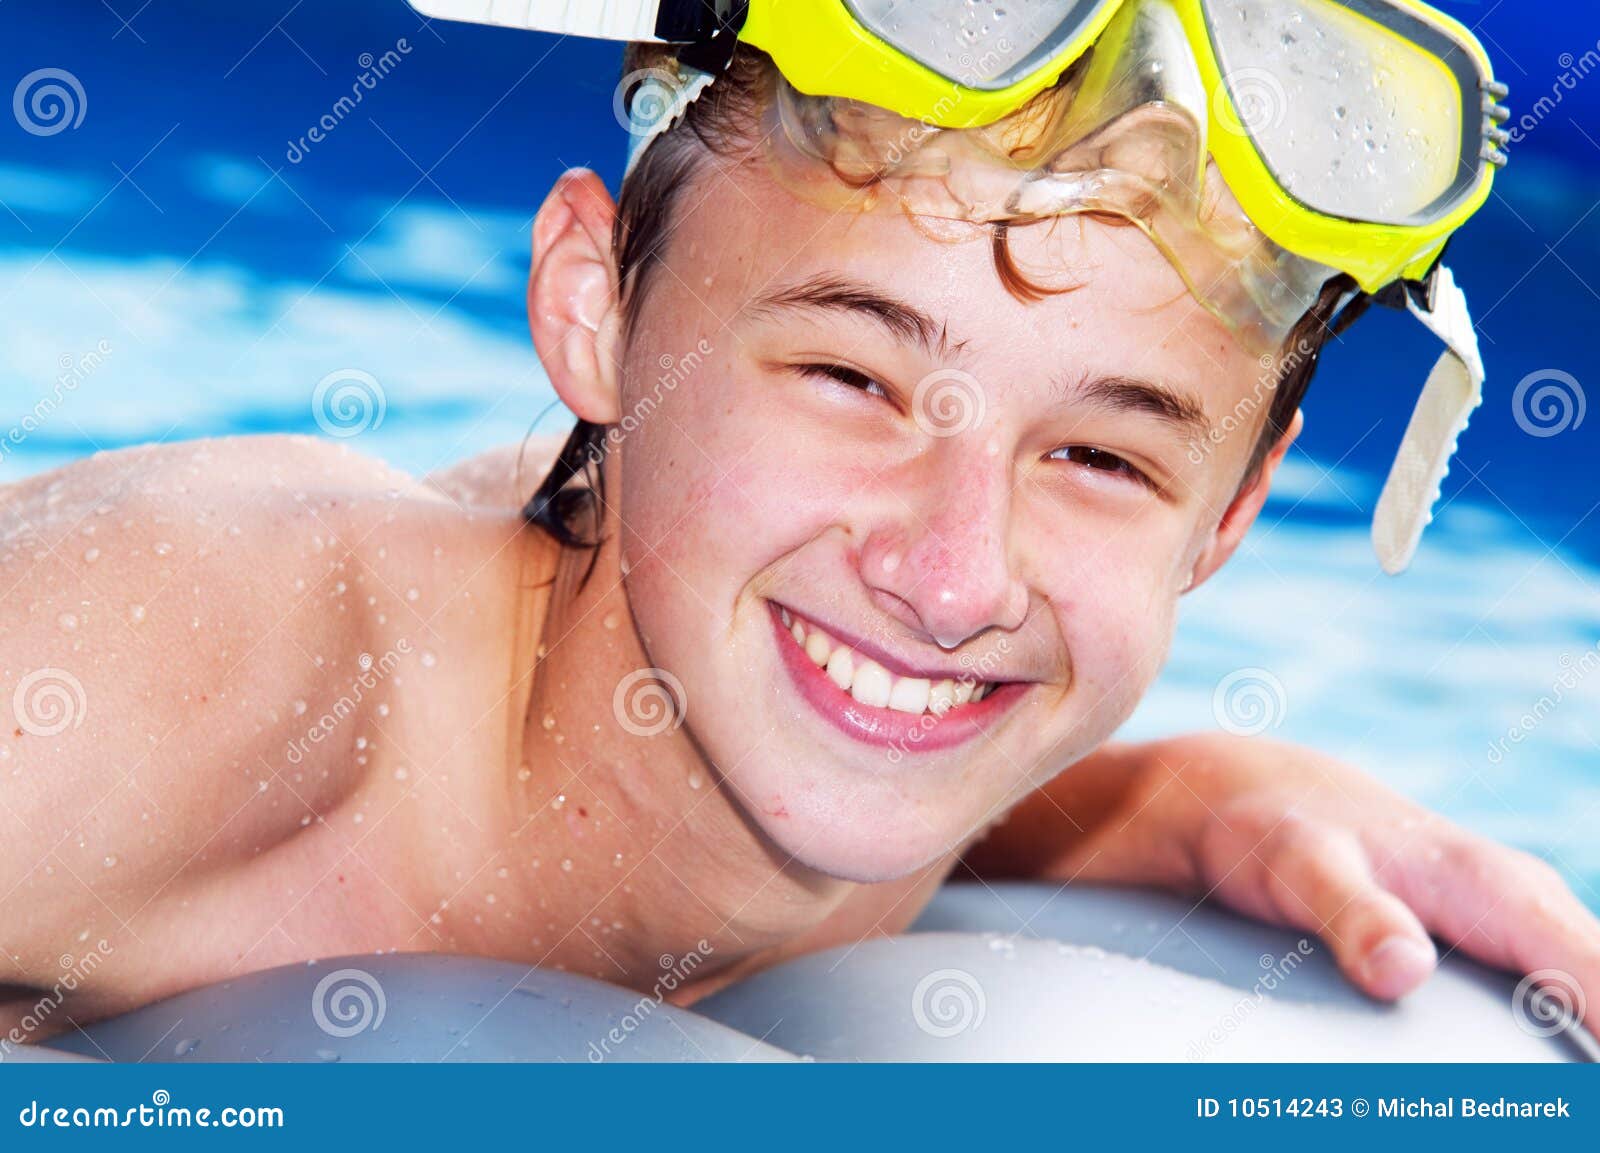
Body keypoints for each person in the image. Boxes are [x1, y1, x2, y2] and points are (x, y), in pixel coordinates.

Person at [3, 0, 1593, 1046]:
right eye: (850, 375)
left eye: (1101, 459)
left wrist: (1163, 796)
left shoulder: (855, 685)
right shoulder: (194, 666)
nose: (954, 574)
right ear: (592, 314)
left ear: (1233, 513)